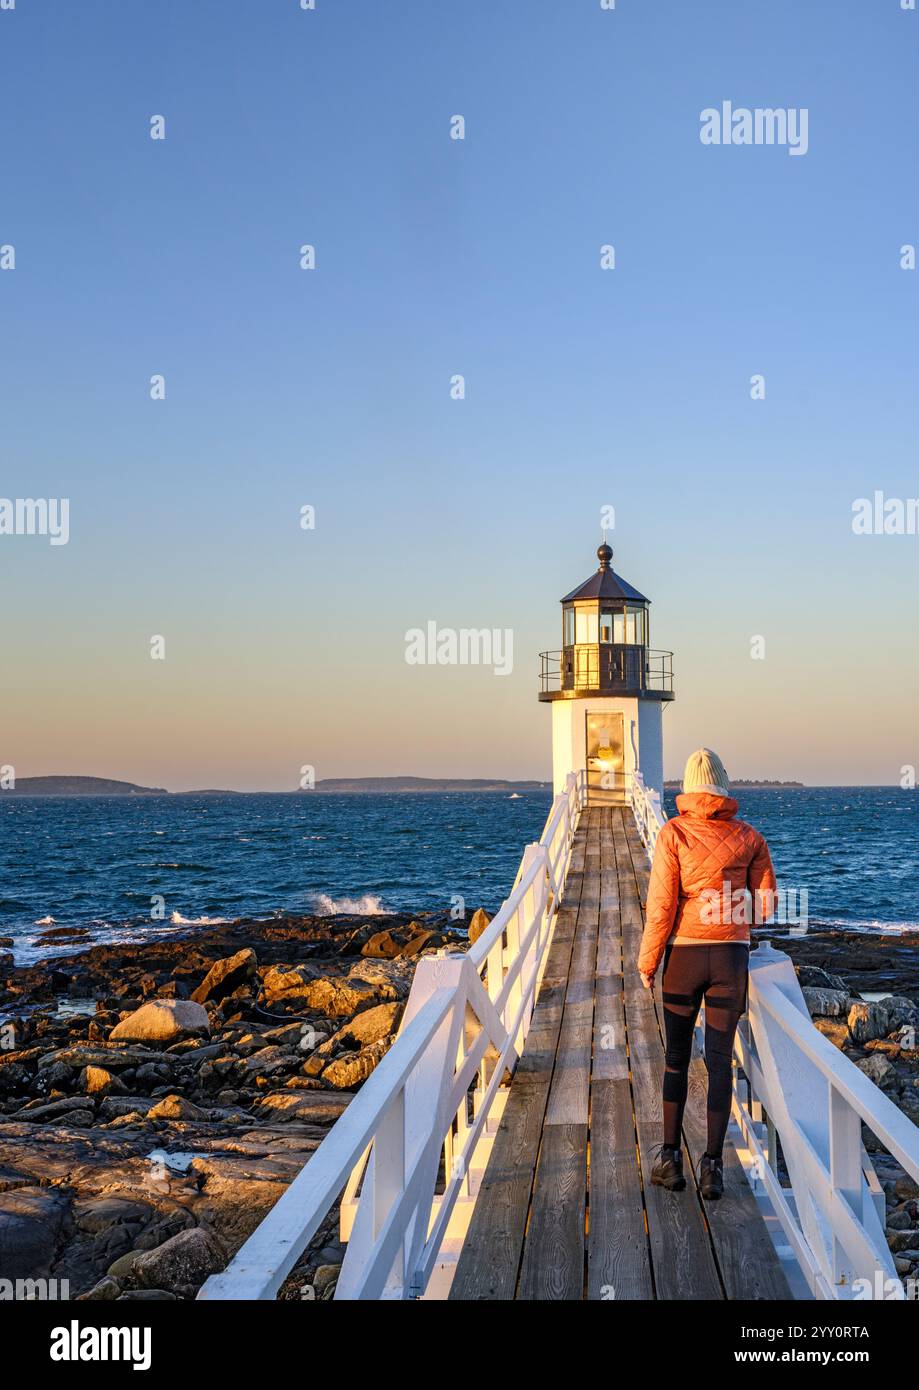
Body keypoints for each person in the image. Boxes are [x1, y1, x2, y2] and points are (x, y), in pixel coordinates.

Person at [637, 748, 776, 1200]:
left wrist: (648, 961)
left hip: (683, 959)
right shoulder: (750, 836)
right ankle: (712, 1166)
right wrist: (736, 921)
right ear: (723, 785)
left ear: (688, 787)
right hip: (730, 959)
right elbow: (767, 905)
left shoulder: (673, 833)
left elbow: (660, 906)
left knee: (676, 1058)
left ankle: (669, 1159)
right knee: (719, 1062)